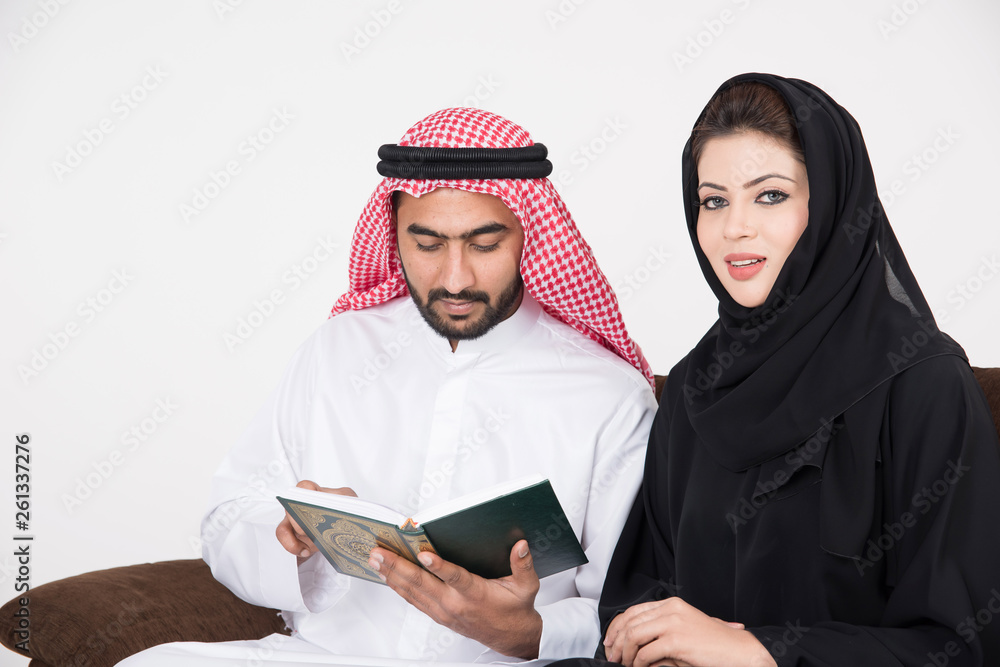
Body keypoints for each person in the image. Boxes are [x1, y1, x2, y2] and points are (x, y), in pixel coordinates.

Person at [118, 107, 657, 666]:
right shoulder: (337, 350)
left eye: (484, 244)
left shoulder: (608, 397)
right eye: (427, 245)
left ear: (531, 235)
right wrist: (287, 540)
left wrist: (527, 630)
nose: (455, 279)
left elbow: (628, 606)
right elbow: (227, 516)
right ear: (393, 233)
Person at [575, 74, 1000, 667]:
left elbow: (962, 646)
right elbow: (639, 594)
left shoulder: (921, 385)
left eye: (769, 195)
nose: (734, 228)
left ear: (830, 204)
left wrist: (755, 650)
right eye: (714, 200)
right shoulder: (695, 386)